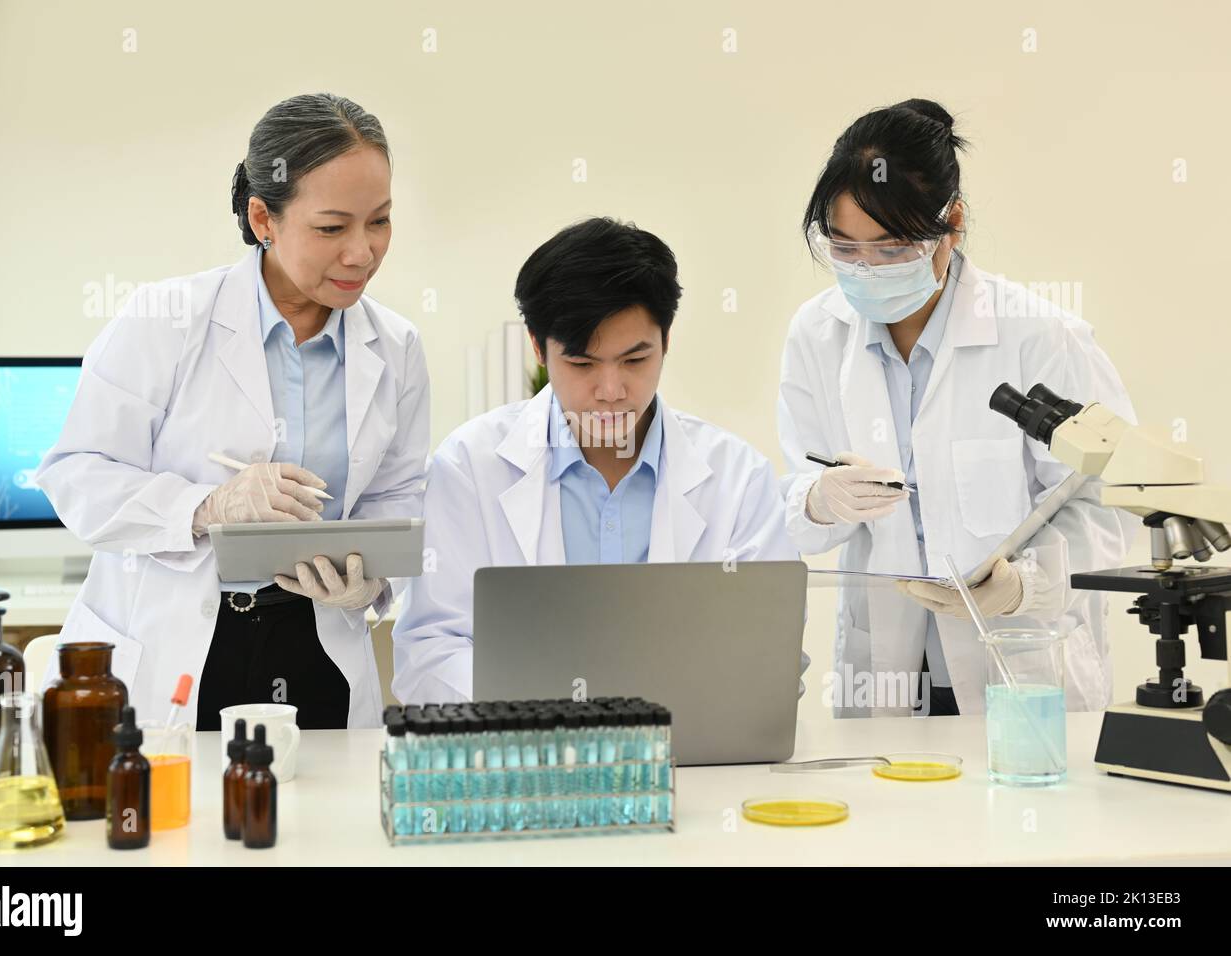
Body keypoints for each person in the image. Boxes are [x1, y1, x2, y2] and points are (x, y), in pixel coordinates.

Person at [36, 93, 429, 729]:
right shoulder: (165, 319)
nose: (362, 252)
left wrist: (371, 585)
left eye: (379, 221)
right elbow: (76, 473)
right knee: (173, 822)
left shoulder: (397, 347)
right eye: (332, 227)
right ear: (263, 217)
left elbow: (399, 494)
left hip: (318, 644)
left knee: (329, 824)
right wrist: (207, 508)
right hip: (181, 643)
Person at [778, 99, 1137, 718]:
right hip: (884, 667)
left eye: (892, 250)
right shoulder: (816, 335)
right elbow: (799, 502)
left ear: (954, 223)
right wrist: (817, 499)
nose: (867, 270)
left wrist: (1028, 583)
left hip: (1018, 656)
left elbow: (1111, 504)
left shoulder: (1042, 336)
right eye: (845, 248)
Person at [393, 217, 805, 703]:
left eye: (635, 361)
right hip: (525, 758)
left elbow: (769, 656)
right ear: (538, 348)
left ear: (666, 341)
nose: (611, 392)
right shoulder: (469, 467)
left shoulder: (738, 479)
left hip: (690, 762)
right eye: (583, 364)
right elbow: (432, 649)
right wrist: (539, 716)